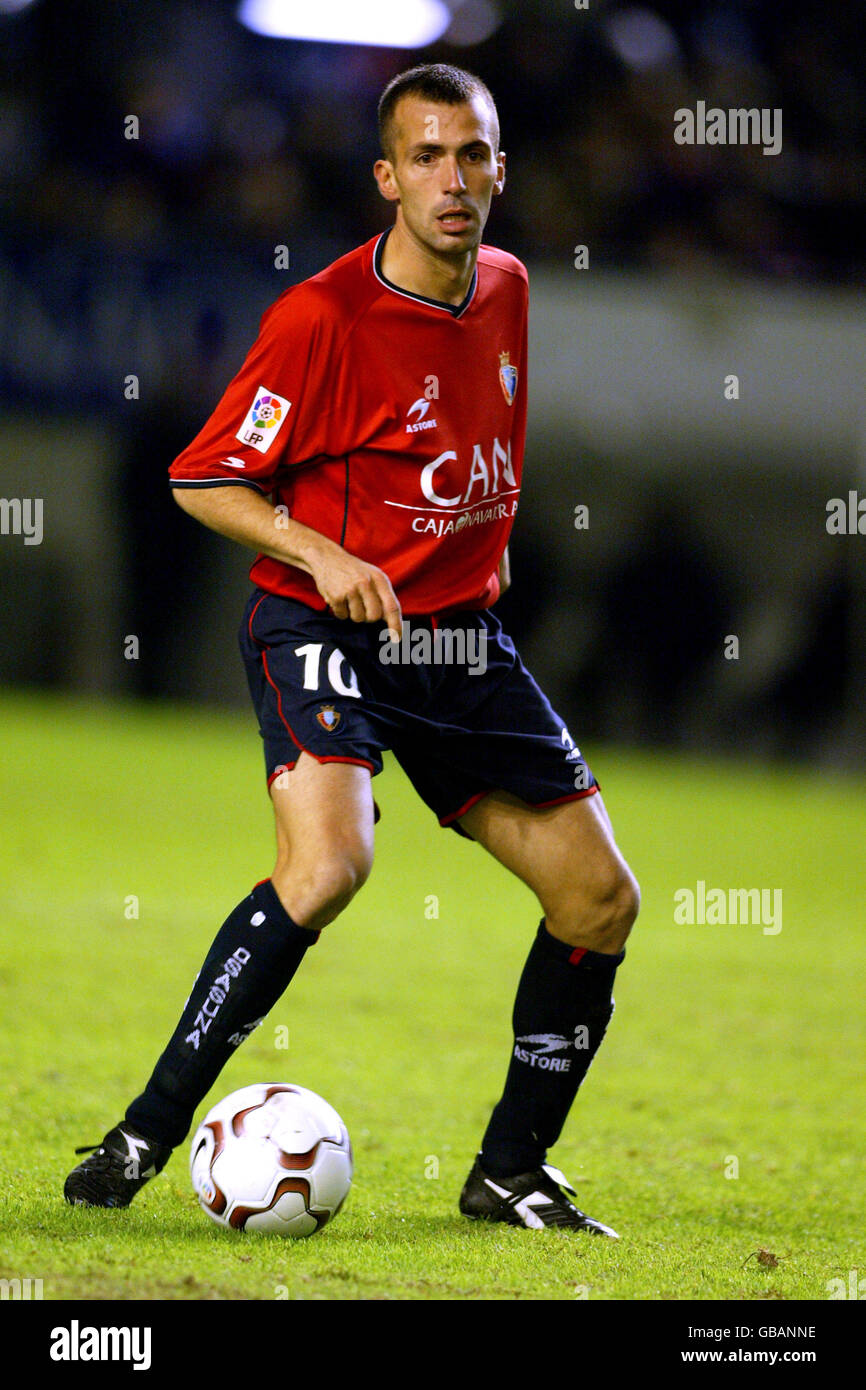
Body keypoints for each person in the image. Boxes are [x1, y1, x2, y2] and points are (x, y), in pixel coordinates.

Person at [65, 63, 639, 1235]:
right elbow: (204, 475)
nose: (452, 179)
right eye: (425, 157)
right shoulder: (322, 319)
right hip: (320, 625)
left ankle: (509, 1170)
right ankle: (145, 1128)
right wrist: (318, 551)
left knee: (597, 901)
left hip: (457, 641)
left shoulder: (509, 288)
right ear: (385, 178)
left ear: (499, 170)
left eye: (471, 154)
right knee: (330, 866)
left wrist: (492, 545)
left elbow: (491, 433)